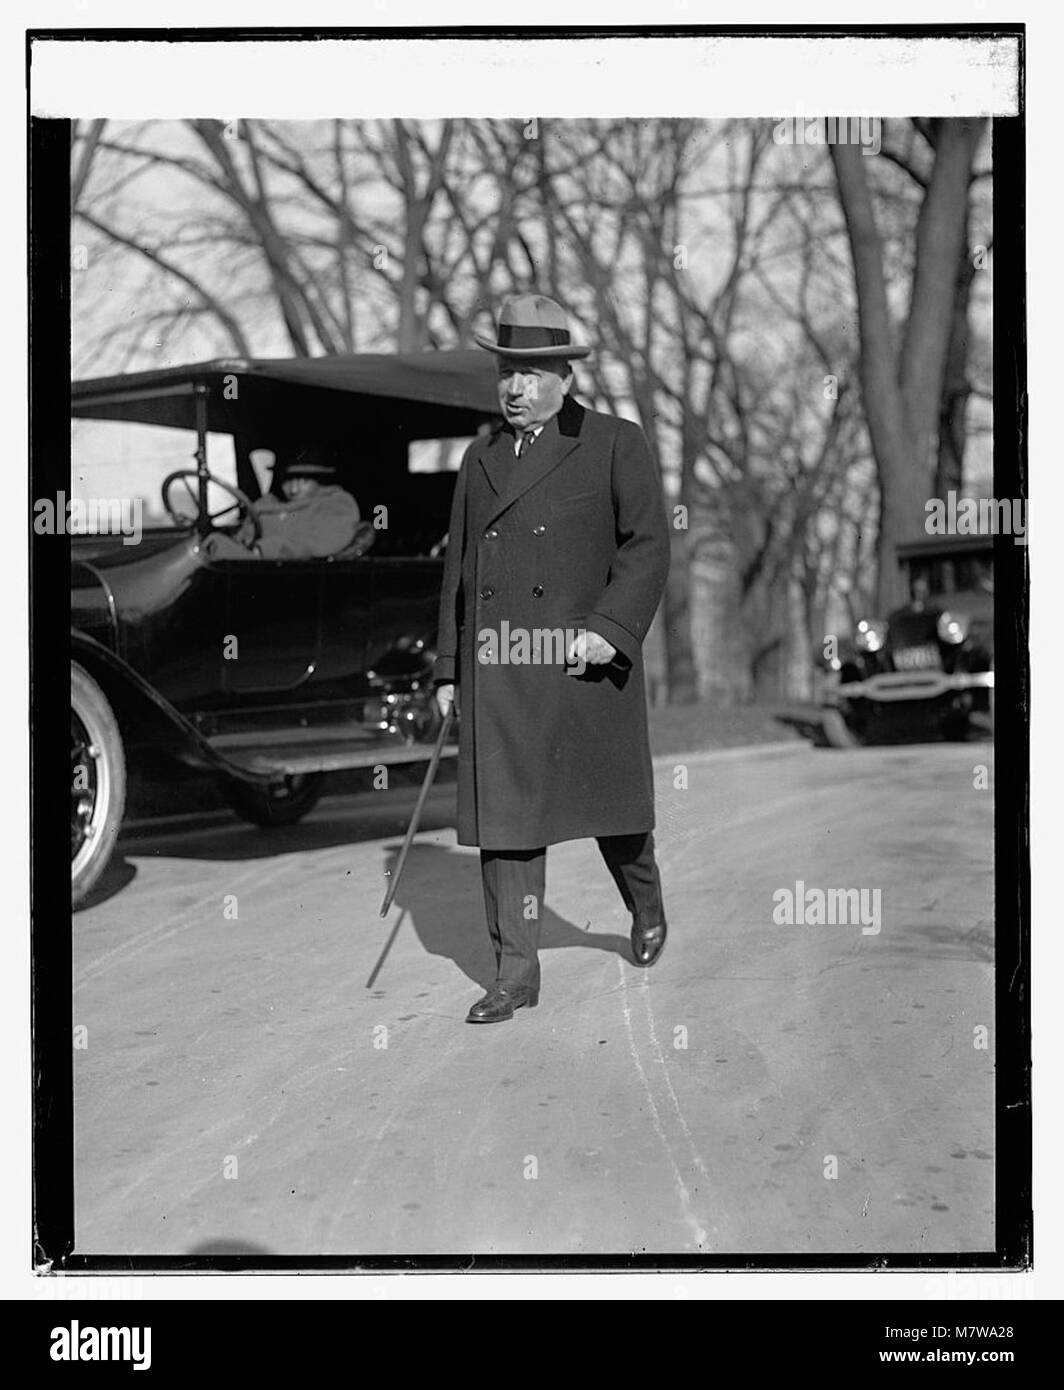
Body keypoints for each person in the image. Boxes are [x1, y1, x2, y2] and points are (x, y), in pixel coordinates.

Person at [434, 293, 671, 1025]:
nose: (515, 387)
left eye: (532, 372)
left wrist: (610, 627)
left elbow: (649, 545)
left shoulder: (613, 442)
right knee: (506, 824)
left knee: (611, 810)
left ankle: (645, 901)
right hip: (501, 665)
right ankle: (514, 973)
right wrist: (448, 671)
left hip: (582, 660)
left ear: (565, 376)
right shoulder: (479, 460)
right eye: (507, 370)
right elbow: (459, 575)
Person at [206, 449, 361, 560]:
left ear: (318, 480)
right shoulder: (267, 503)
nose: (293, 489)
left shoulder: (338, 503)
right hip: (248, 568)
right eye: (288, 480)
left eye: (304, 480)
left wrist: (266, 550)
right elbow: (244, 535)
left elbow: (321, 544)